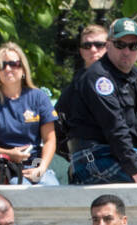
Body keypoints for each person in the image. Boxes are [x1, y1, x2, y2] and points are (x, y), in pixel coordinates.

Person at [64, 18, 137, 186]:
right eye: (120, 44)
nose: (126, 51)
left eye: (133, 46)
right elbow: (115, 127)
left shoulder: (134, 78)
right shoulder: (99, 78)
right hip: (95, 158)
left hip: (117, 156)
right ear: (108, 46)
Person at [0, 43, 57, 185]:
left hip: (36, 165)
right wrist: (9, 154)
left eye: (14, 64)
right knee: (18, 187)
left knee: (52, 188)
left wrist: (42, 168)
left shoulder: (38, 97)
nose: (8, 69)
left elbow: (49, 139)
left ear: (23, 68)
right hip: (3, 168)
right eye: (1, 65)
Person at [53, 23, 108, 162]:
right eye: (87, 46)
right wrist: (75, 156)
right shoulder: (73, 89)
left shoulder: (124, 80)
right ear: (81, 51)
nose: (93, 49)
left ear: (109, 47)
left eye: (99, 44)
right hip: (89, 162)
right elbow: (55, 129)